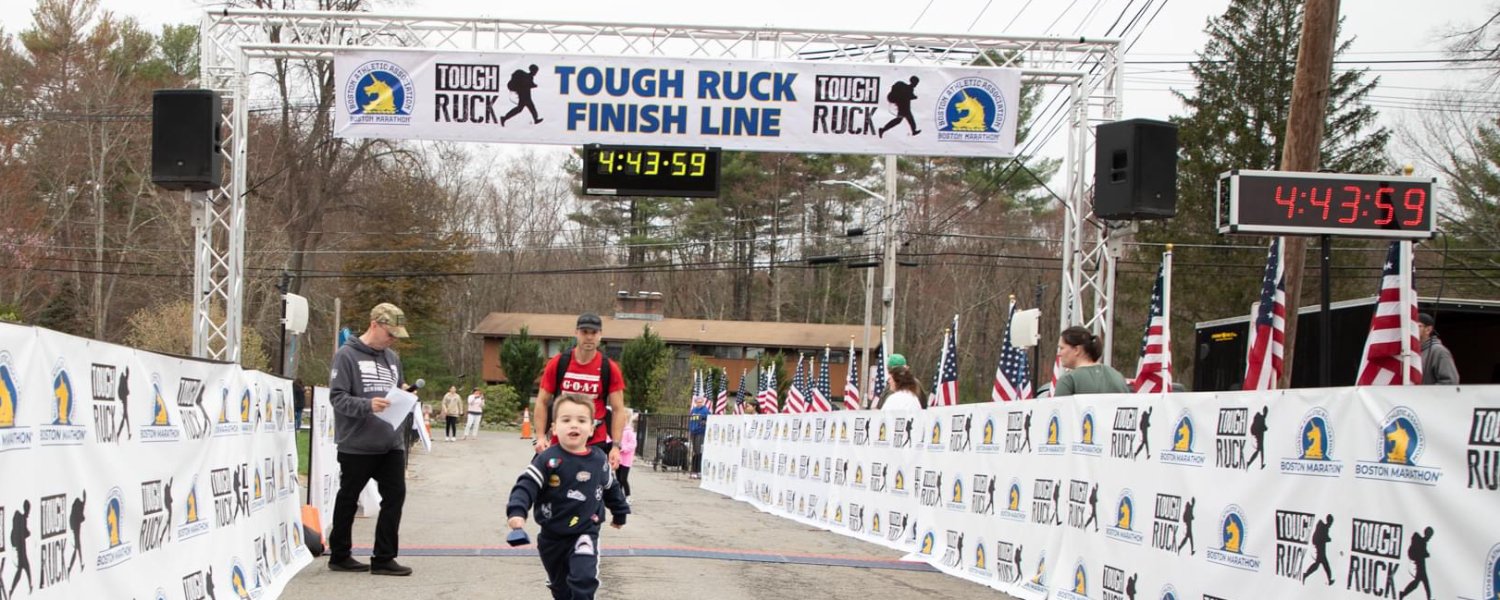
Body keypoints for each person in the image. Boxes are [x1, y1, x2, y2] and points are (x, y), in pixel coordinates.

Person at [507, 393, 629, 600]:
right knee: (560, 586)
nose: (574, 425)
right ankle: (558, 587)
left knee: (583, 580)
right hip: (551, 536)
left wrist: (620, 513)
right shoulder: (546, 459)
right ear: (554, 428)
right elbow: (526, 485)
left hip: (585, 531)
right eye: (566, 420)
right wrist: (517, 511)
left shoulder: (599, 459)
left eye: (581, 421)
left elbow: (611, 487)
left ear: (591, 429)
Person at [326, 302, 413, 576]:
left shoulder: (392, 359)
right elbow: (337, 397)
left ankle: (384, 557)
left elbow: (395, 390)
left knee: (395, 497)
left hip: (390, 442)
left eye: (396, 336)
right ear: (374, 324)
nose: (392, 340)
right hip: (357, 444)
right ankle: (340, 554)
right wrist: (367, 405)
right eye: (389, 333)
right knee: (349, 498)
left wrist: (405, 396)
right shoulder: (346, 356)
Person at [533, 313, 628, 469]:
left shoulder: (609, 368)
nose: (589, 337)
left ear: (600, 335)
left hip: (594, 440)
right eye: (585, 332)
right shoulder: (558, 363)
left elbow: (618, 410)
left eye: (594, 333)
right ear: (576, 333)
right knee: (543, 483)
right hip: (561, 438)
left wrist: (616, 447)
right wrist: (540, 437)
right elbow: (542, 402)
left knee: (598, 487)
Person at [1053, 326, 1130, 396]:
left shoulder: (1069, 380)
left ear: (1077, 350)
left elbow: (1059, 410)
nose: (1059, 353)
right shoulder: (1117, 377)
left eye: (1062, 348)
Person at [1417, 313, 1459, 385]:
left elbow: (1450, 382)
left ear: (1428, 330)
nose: (1411, 330)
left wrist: (1425, 394)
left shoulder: (1439, 351)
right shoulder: (1408, 352)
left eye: (1417, 326)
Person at [688, 394, 710, 479]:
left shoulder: (705, 410)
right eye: (698, 402)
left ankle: (698, 470)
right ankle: (695, 470)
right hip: (693, 432)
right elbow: (690, 420)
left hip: (701, 433)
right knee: (695, 450)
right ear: (695, 402)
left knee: (699, 451)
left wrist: (703, 423)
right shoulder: (694, 410)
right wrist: (690, 430)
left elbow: (708, 419)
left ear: (703, 402)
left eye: (701, 402)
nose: (699, 403)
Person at [618, 411, 637, 496]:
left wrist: (623, 448)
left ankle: (627, 496)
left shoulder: (629, 432)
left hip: (626, 460)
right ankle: (619, 496)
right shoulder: (618, 431)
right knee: (618, 479)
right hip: (619, 458)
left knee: (623, 479)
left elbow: (633, 444)